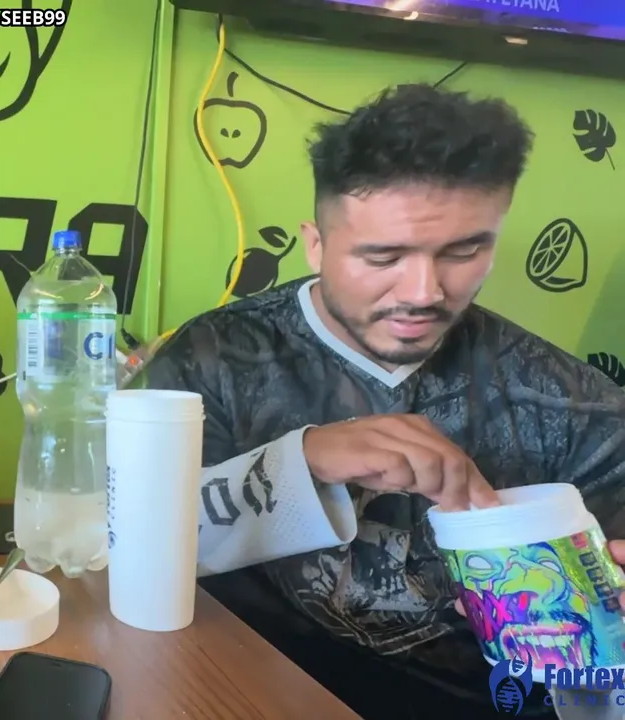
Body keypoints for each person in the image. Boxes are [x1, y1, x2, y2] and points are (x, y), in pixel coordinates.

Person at [133, 84, 625, 718]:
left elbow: (603, 670)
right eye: (383, 256)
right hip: (253, 694)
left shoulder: (570, 404)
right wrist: (302, 462)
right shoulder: (213, 361)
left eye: (465, 251)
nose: (423, 292)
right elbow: (118, 547)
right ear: (315, 243)